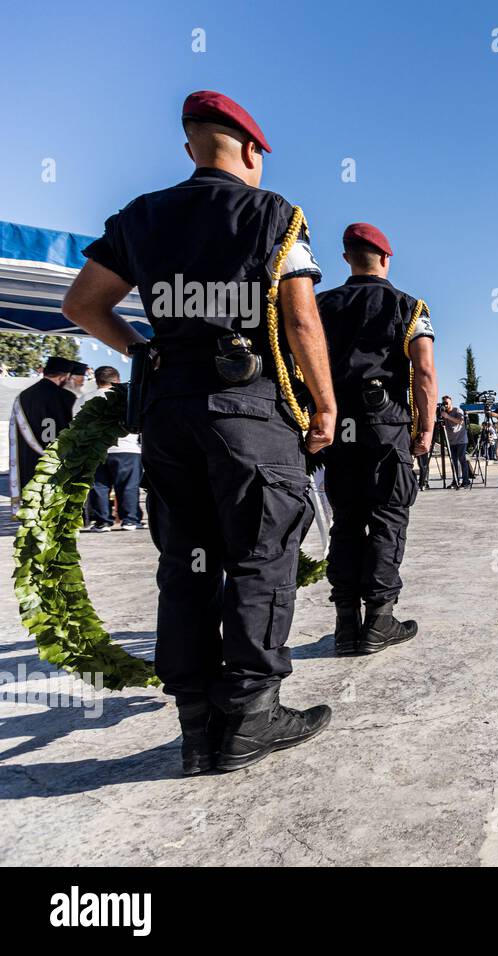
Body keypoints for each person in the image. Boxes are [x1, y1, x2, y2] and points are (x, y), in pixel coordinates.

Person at [62, 90, 336, 773]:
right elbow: (301, 320)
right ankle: (251, 716)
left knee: (185, 566)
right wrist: (325, 407)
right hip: (248, 413)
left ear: (190, 150)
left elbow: (82, 304)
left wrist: (140, 351)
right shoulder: (275, 215)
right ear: (250, 151)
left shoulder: (141, 216)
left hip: (168, 415)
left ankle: (196, 725)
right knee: (261, 555)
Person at [316, 222, 436, 659]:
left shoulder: (320, 304)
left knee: (346, 521)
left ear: (346, 258)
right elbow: (423, 371)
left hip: (336, 429)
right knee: (388, 519)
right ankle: (380, 620)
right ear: (386, 258)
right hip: (386, 430)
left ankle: (346, 623)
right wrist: (425, 427)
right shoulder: (409, 306)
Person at [8, 356, 87, 513]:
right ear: (63, 377)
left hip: (29, 460)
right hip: (58, 460)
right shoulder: (67, 397)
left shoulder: (23, 396)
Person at [75, 365, 143, 530]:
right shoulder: (128, 397)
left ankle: (102, 521)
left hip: (95, 449)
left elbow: (76, 426)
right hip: (127, 449)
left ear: (97, 381)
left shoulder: (84, 399)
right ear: (117, 380)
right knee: (128, 486)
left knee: (98, 486)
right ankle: (130, 520)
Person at [436, 396, 471, 487]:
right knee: (453, 461)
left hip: (461, 439)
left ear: (451, 402)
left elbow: (460, 421)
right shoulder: (443, 413)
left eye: (447, 403)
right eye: (444, 403)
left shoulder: (457, 410)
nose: (445, 405)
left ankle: (466, 481)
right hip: (450, 441)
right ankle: (455, 480)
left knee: (462, 459)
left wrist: (447, 416)